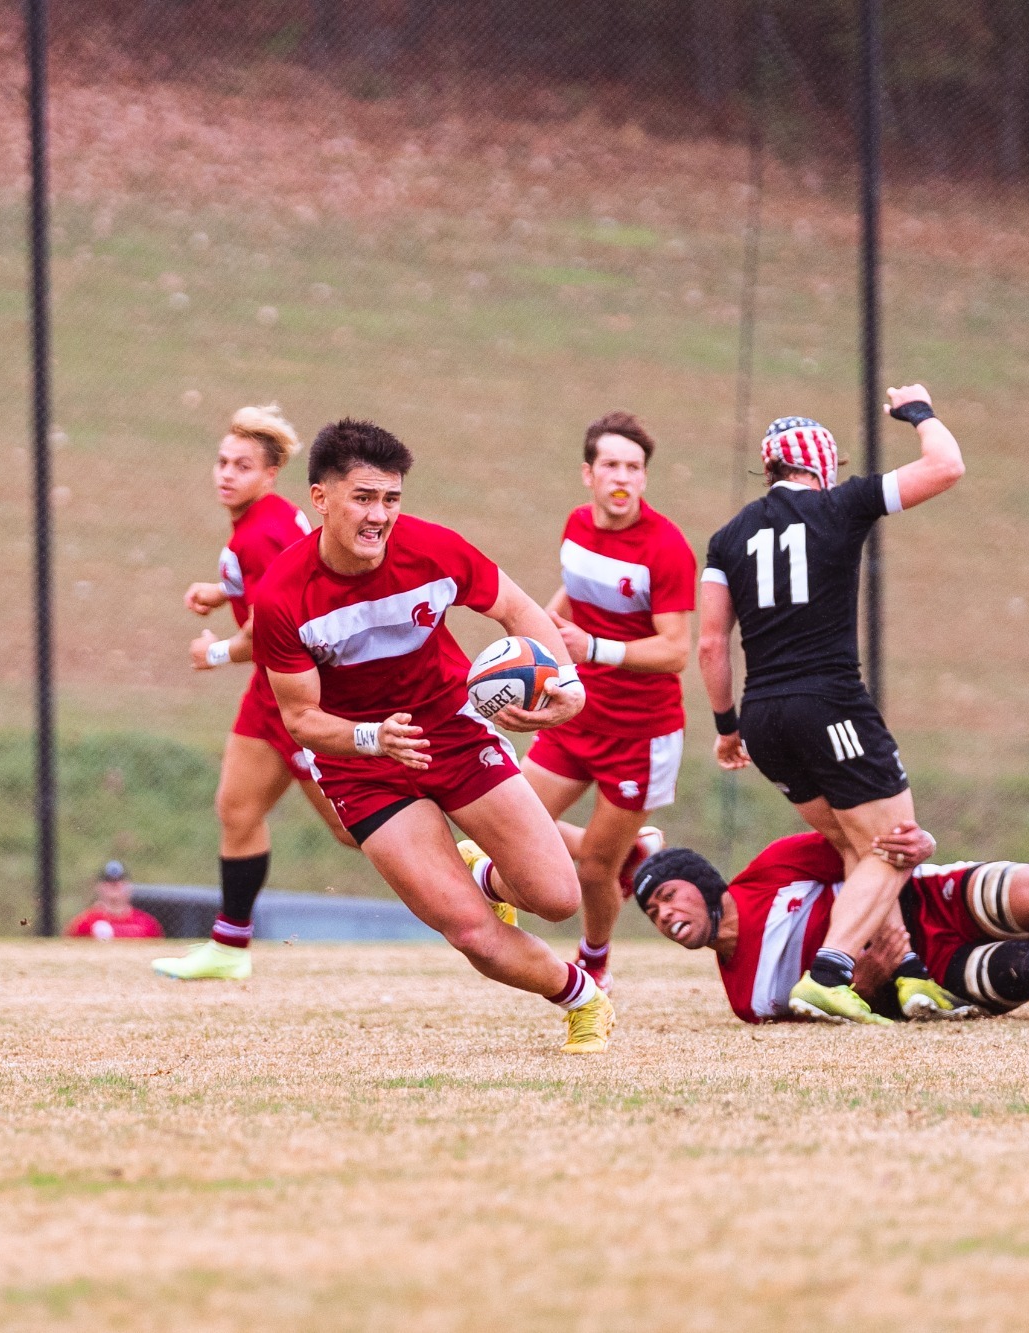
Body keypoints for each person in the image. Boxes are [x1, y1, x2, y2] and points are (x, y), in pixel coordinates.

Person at [251, 418, 613, 1053]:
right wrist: (373, 739)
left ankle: (484, 877)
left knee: (558, 899)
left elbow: (520, 610)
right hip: (361, 764)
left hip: (451, 732)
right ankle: (583, 999)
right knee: (471, 933)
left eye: (391, 499)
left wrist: (567, 685)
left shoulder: (433, 549)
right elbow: (301, 720)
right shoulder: (283, 596)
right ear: (321, 498)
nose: (379, 516)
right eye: (364, 498)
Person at [698, 387, 966, 1024]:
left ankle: (910, 974)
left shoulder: (726, 538)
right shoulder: (840, 504)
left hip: (763, 718)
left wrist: (727, 727)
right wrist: (919, 412)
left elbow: (710, 643)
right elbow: (946, 466)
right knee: (898, 846)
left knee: (857, 845)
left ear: (769, 467)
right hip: (830, 705)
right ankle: (828, 974)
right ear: (822, 465)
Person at [633, 828, 1029, 1025]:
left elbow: (871, 847)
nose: (664, 916)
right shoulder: (746, 1000)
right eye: (653, 914)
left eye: (667, 897)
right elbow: (830, 1017)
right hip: (931, 976)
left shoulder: (772, 869)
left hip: (930, 901)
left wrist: (916, 844)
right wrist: (865, 982)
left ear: (703, 881)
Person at [156, 405, 352, 983]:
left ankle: (477, 869)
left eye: (242, 466)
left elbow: (273, 626)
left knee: (353, 827)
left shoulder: (261, 532)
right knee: (237, 809)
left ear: (270, 474)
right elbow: (281, 581)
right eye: (222, 462)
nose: (226, 474)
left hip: (303, 692)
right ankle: (229, 946)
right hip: (272, 689)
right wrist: (224, 590)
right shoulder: (266, 519)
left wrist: (214, 653)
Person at [521, 411, 693, 1005]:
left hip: (640, 735)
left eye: (634, 468)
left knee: (595, 869)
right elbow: (574, 593)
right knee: (510, 813)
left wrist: (592, 647)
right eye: (612, 465)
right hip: (575, 714)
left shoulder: (666, 547)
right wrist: (537, 634)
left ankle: (596, 960)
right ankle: (633, 851)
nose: (623, 478)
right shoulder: (576, 525)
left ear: (645, 477)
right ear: (588, 473)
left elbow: (675, 651)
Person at [67, 861, 166, 940]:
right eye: (108, 880)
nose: (114, 885)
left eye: (119, 880)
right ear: (98, 886)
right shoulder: (84, 923)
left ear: (129, 886)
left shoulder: (147, 924)